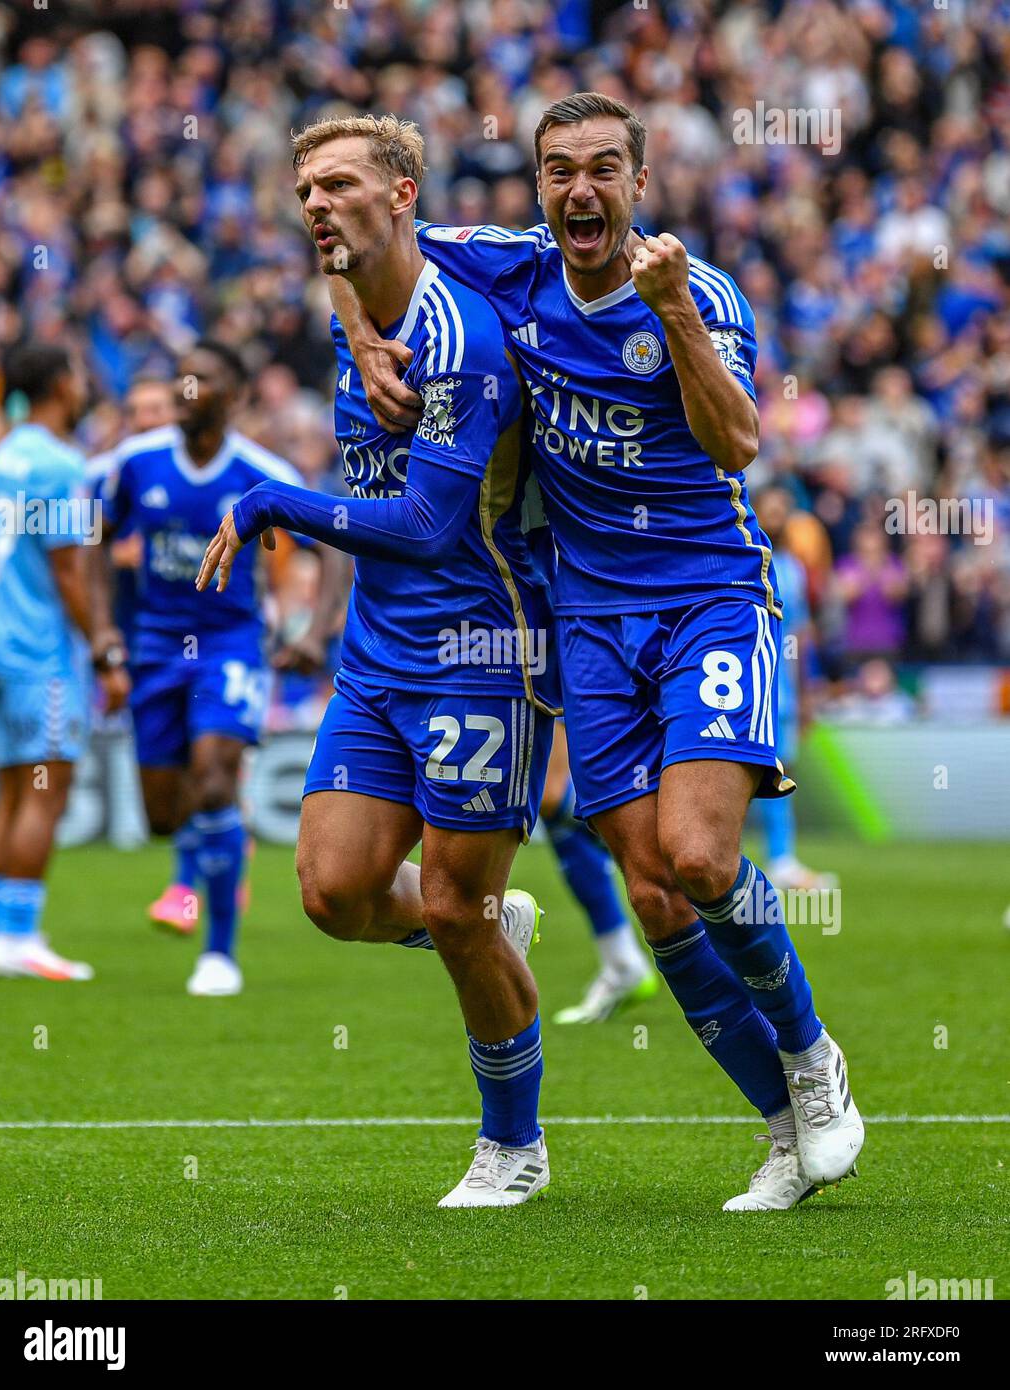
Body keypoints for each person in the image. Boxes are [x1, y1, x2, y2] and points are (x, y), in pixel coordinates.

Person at [335, 93, 864, 1209]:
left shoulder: (699, 292)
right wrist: (356, 333)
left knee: (704, 862)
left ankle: (814, 1063)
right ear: (538, 186)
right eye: (561, 170)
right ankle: (779, 1130)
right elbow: (365, 236)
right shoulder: (509, 269)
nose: (583, 189)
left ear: (638, 180)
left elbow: (738, 441)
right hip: (585, 618)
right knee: (656, 896)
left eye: (605, 169)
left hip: (707, 597)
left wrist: (668, 312)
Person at [197, 114, 558, 1208]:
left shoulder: (460, 336)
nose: (314, 204)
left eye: (339, 185)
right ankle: (492, 917)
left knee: (452, 911)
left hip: (479, 647)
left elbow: (429, 525)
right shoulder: (363, 291)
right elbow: (350, 269)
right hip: (378, 654)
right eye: (304, 187)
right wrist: (350, 316)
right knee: (332, 891)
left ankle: (515, 1146)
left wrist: (274, 501)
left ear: (404, 196)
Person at [89, 340, 317, 996]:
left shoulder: (262, 471)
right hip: (155, 647)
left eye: (203, 380)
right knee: (165, 815)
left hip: (231, 645)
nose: (187, 389)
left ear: (236, 396)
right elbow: (93, 540)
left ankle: (219, 953)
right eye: (182, 378)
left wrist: (317, 630)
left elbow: (331, 544)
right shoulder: (136, 463)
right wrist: (105, 631)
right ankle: (217, 844)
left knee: (215, 778)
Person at [0, 344, 126, 980]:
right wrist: (104, 649)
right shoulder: (63, 465)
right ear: (62, 383)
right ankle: (22, 937)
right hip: (43, 652)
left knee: (12, 794)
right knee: (47, 792)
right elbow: (69, 568)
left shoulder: (3, 458)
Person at [541, 724, 659, 1024]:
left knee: (547, 792)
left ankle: (668, 861)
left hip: (544, 678)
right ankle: (620, 961)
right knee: (548, 800)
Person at [751, 486, 837, 893]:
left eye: (782, 508)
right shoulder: (744, 558)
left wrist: (806, 694)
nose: (776, 514)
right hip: (744, 685)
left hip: (781, 690)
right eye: (770, 506)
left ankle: (781, 858)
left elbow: (800, 634)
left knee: (782, 769)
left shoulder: (792, 568)